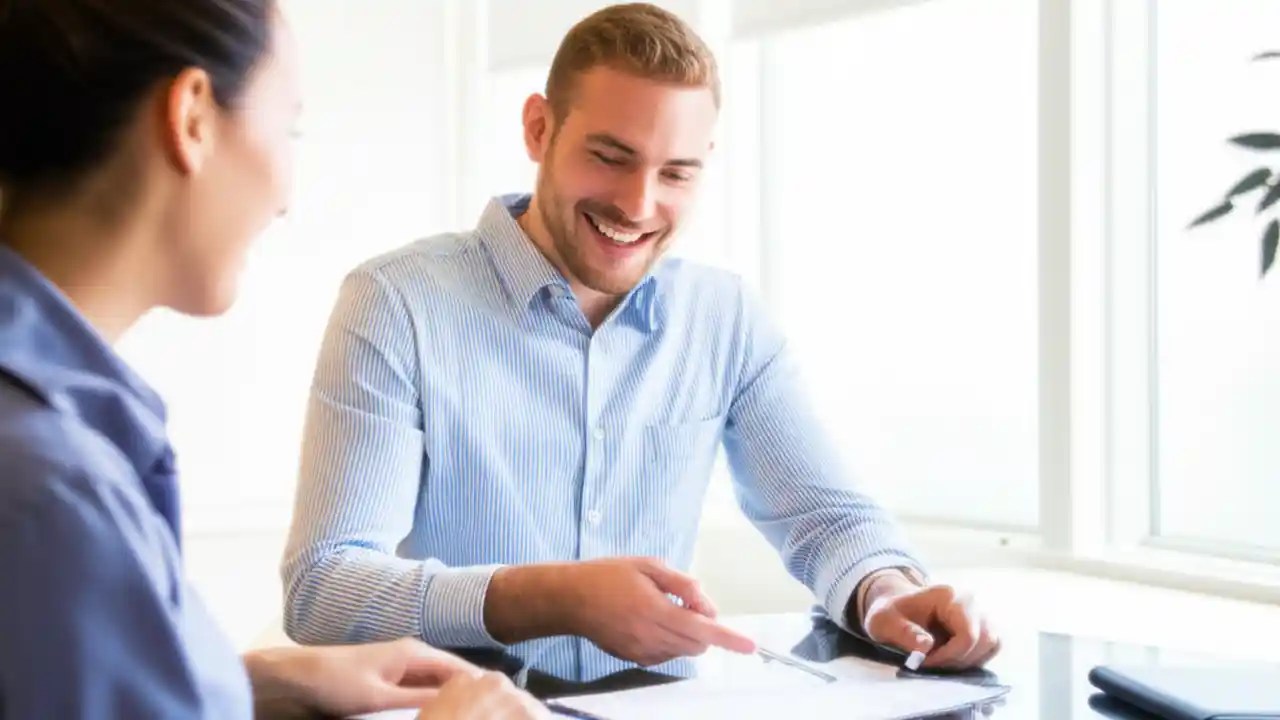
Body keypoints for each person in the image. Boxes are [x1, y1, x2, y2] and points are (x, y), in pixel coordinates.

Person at [282, 2, 1001, 682]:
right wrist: (551, 596)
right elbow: (325, 587)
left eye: (676, 172)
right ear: (539, 129)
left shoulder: (725, 319)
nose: (637, 204)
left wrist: (884, 591)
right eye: (610, 155)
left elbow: (826, 517)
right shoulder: (397, 303)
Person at [0, 1, 548, 718]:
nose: (287, 197)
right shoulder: (55, 494)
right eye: (287, 126)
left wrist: (240, 680)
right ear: (193, 115)